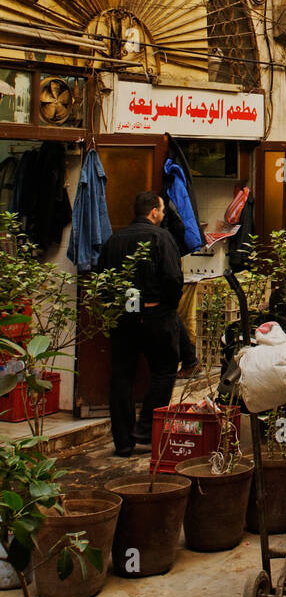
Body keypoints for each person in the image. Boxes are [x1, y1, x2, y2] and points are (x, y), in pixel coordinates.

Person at [96, 191, 185, 457]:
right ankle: (145, 430)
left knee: (121, 377)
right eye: (161, 210)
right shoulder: (161, 237)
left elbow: (102, 281)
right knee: (165, 370)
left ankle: (122, 441)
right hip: (156, 316)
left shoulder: (114, 240)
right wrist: (167, 307)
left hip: (123, 317)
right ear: (154, 212)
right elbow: (173, 279)